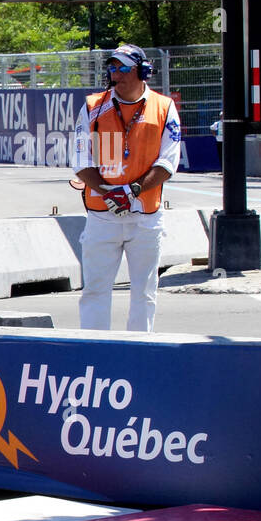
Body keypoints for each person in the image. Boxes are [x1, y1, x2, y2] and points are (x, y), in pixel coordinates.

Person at [73, 44, 181, 333]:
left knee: (144, 293)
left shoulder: (164, 108)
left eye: (122, 68)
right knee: (95, 291)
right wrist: (110, 193)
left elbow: (168, 163)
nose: (115, 74)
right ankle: (94, 351)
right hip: (101, 216)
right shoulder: (93, 107)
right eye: (112, 68)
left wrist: (132, 191)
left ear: (142, 71)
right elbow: (80, 161)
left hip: (146, 217)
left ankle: (139, 349)